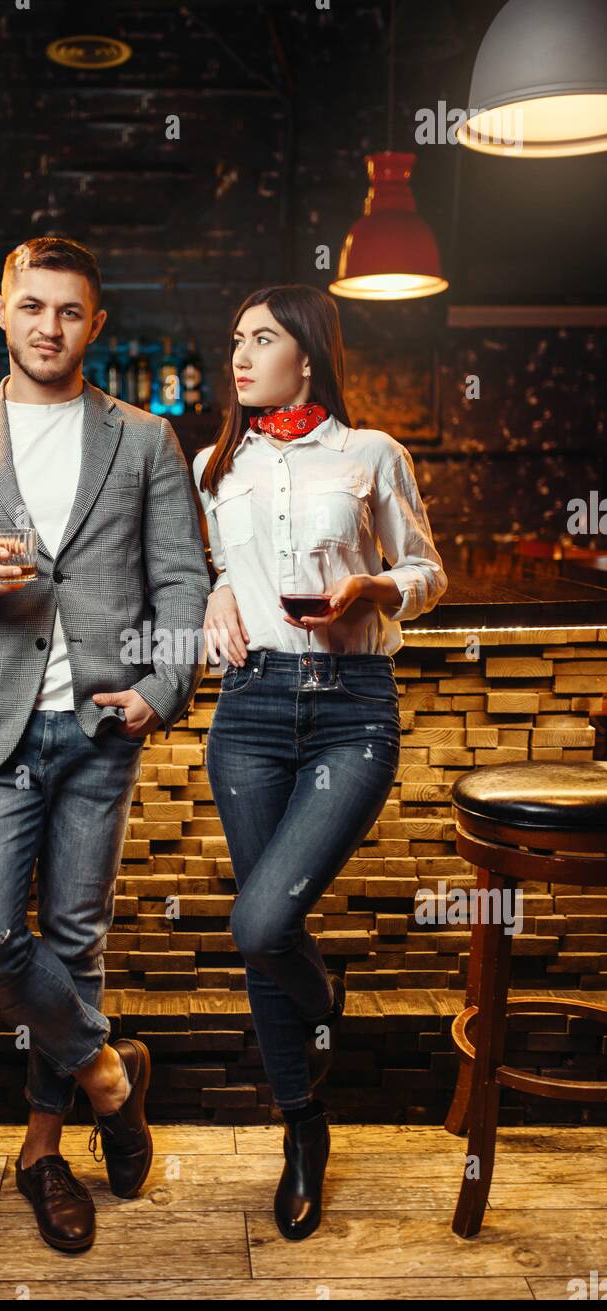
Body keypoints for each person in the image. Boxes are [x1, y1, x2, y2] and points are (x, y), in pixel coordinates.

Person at [0, 236, 209, 1254]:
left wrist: (163, 685)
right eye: (33, 306)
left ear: (94, 324)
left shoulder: (145, 438)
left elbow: (183, 582)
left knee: (75, 943)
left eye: (69, 311)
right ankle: (111, 1074)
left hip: (102, 730)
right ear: (1, 310)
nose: (49, 326)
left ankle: (40, 1153)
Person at [193, 283, 448, 1241]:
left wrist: (375, 587)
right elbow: (218, 569)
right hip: (250, 709)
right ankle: (303, 1128)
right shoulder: (213, 466)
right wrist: (216, 597)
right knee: (265, 937)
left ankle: (322, 993)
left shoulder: (371, 454)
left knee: (262, 923)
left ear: (308, 352)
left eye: (261, 337)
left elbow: (427, 573)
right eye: (235, 338)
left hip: (351, 710)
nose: (241, 355)